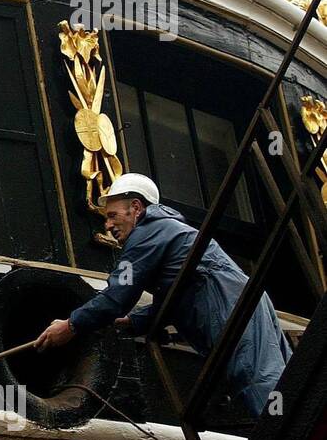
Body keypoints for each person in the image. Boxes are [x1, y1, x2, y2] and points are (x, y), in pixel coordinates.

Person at [36, 173, 292, 418]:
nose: (108, 225)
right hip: (244, 302)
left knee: (257, 379)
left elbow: (117, 297)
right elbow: (175, 299)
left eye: (112, 215)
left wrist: (71, 325)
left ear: (136, 207)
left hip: (233, 309)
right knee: (287, 381)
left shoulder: (145, 234)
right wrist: (134, 322)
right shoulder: (165, 230)